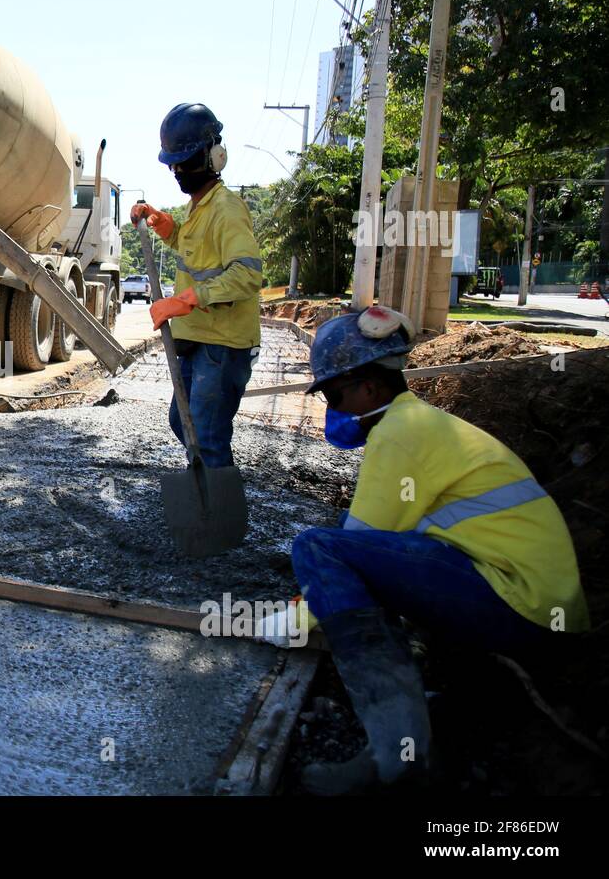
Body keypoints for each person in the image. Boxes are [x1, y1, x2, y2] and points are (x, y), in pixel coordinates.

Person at [293, 305, 590, 794]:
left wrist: (293, 620)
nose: (333, 409)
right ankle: (450, 702)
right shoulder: (421, 424)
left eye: (333, 393)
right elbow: (379, 544)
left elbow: (350, 547)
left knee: (315, 547)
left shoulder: (400, 436)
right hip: (539, 603)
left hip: (519, 602)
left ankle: (395, 755)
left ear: (368, 387)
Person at [130, 102, 262, 467]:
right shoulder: (199, 206)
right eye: (173, 163)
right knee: (182, 421)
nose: (177, 171)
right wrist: (163, 224)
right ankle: (206, 486)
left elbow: (248, 274)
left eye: (184, 162)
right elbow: (197, 250)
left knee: (206, 435)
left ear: (213, 156)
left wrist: (187, 300)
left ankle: (218, 516)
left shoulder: (227, 209)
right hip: (200, 339)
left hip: (223, 345)